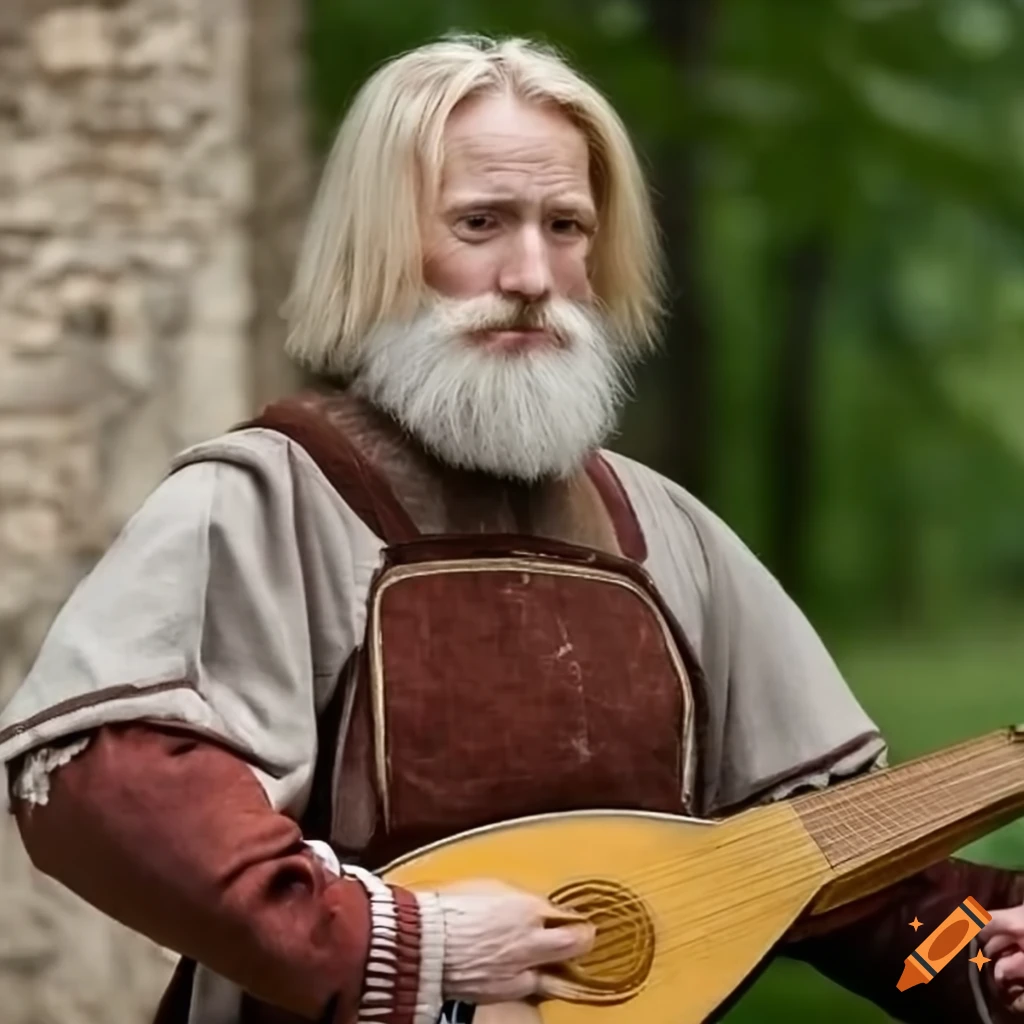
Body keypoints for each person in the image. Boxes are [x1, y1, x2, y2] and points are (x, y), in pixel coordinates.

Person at [2, 32, 1023, 1024]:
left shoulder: (667, 535)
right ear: (383, 247)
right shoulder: (267, 500)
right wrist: (404, 943)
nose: (531, 273)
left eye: (566, 226)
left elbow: (825, 858)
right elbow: (114, 781)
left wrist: (990, 955)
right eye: (481, 223)